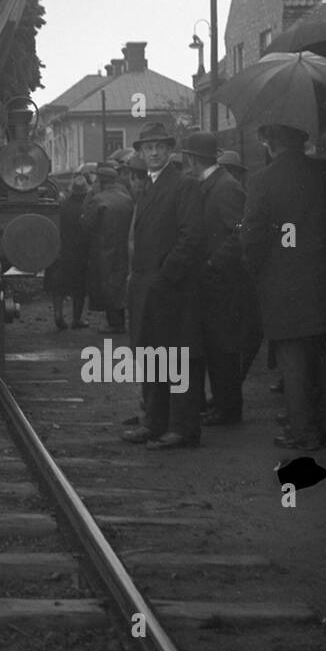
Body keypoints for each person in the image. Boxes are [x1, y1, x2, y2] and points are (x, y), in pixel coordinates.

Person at [240, 124, 326, 450]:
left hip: (282, 287)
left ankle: (303, 433)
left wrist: (257, 270)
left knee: (292, 362)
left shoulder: (262, 180)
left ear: (270, 143)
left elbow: (252, 236)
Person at [122, 121, 206, 450]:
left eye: (160, 146)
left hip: (173, 291)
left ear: (170, 150)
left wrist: (164, 277)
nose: (154, 152)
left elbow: (192, 236)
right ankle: (155, 422)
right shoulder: (150, 187)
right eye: (148, 147)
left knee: (177, 356)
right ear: (141, 152)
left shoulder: (183, 185)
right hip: (149, 290)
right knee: (153, 356)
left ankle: (183, 429)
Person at [180, 132, 261, 426]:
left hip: (225, 283)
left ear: (192, 158)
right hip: (214, 283)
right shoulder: (211, 185)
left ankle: (228, 410)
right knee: (216, 346)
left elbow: (241, 231)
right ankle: (222, 405)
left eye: (186, 158)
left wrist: (214, 262)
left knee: (224, 348)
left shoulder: (225, 188)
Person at [81, 163, 133, 333]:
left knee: (108, 285)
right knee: (120, 283)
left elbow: (87, 225)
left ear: (101, 181)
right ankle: (121, 321)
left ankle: (115, 324)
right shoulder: (127, 199)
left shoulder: (98, 199)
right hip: (125, 247)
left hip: (104, 249)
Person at [44, 175, 90, 329]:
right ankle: (77, 319)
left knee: (58, 287)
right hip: (80, 253)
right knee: (79, 288)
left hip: (60, 250)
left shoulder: (61, 206)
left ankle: (58, 315)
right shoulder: (87, 208)